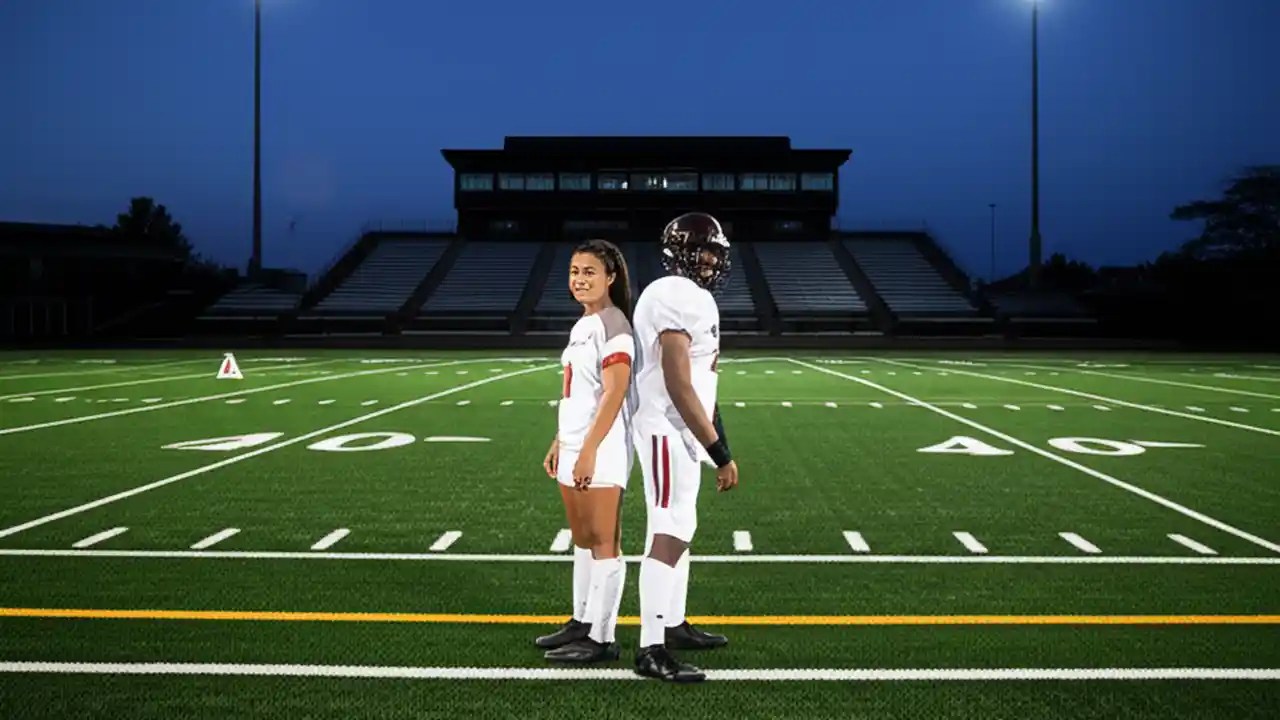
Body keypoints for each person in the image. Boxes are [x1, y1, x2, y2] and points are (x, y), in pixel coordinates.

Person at [630, 212, 739, 683]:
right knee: (669, 530)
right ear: (681, 249)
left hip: (682, 432)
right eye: (706, 250)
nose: (713, 261)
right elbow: (677, 381)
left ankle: (672, 624)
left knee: (682, 526)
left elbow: (701, 384)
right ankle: (650, 648)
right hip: (665, 428)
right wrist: (719, 451)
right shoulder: (675, 293)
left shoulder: (692, 297)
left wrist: (718, 442)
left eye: (717, 252)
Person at [536, 239, 636, 663]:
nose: (580, 279)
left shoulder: (615, 324)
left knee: (603, 543)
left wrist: (590, 449)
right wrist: (561, 441)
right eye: (575, 271)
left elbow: (615, 393)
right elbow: (579, 392)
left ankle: (602, 637)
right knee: (582, 540)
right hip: (576, 442)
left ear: (611, 277)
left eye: (590, 271)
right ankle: (581, 621)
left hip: (603, 446)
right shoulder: (583, 324)